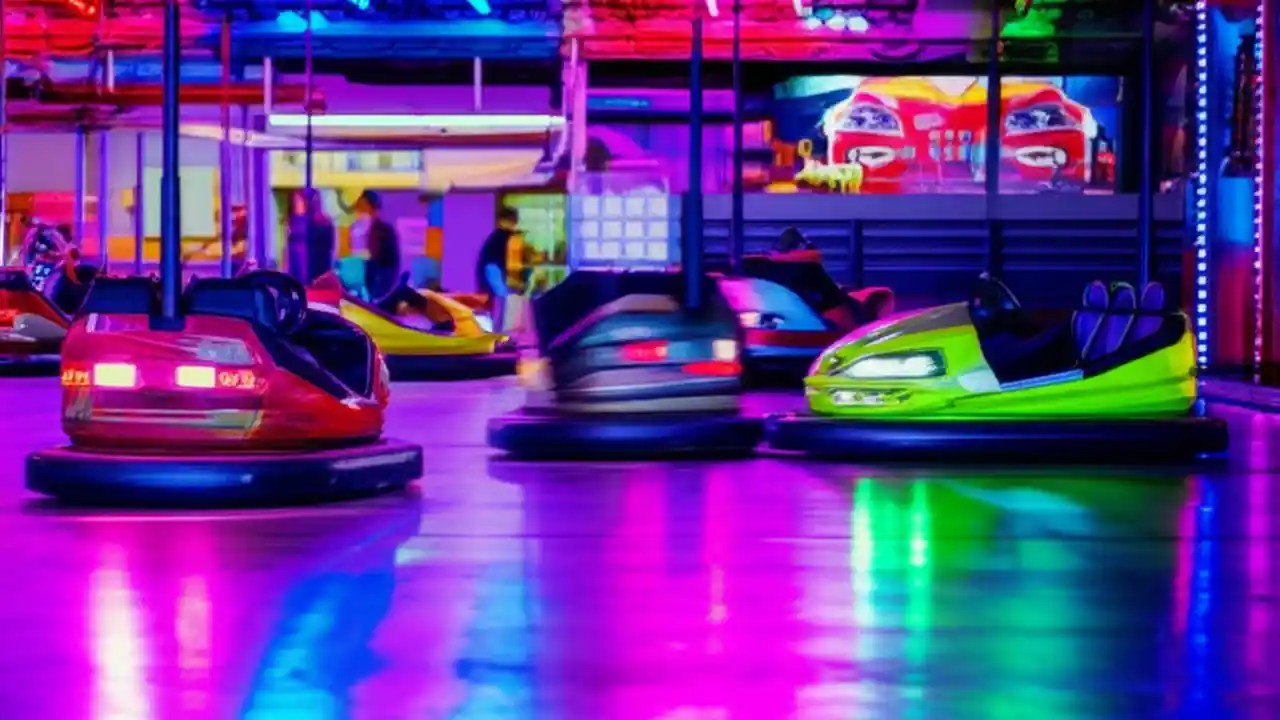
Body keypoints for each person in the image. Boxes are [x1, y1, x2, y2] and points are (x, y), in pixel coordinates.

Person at [475, 207, 520, 326]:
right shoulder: (503, 237)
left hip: (493, 273)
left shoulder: (497, 237)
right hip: (494, 272)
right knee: (502, 303)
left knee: (501, 303)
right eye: (513, 219)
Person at [356, 190, 401, 300]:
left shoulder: (383, 230)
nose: (360, 211)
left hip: (382, 277)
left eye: (364, 206)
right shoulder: (370, 228)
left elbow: (386, 260)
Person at [286, 189, 335, 285]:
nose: (296, 205)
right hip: (300, 266)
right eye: (294, 202)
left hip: (311, 267)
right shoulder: (294, 221)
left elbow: (328, 248)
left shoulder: (318, 223)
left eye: (298, 201)